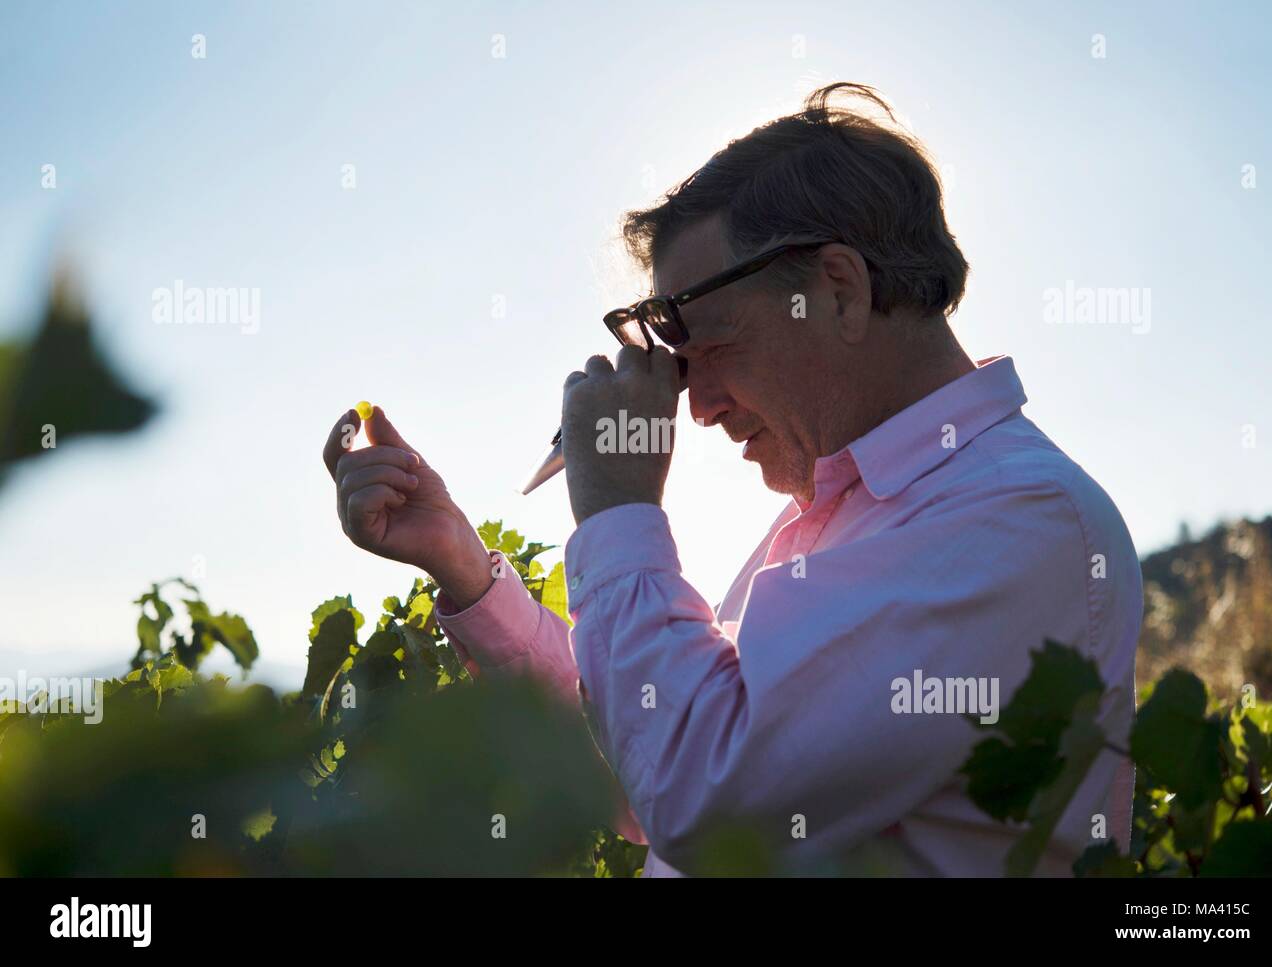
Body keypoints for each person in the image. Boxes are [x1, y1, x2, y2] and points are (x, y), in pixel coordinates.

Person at [321, 83, 1142, 876]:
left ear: (839, 289)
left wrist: (616, 511)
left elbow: (707, 801)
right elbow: (642, 760)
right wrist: (463, 563)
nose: (700, 408)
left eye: (710, 347)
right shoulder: (850, 509)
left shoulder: (1012, 518)